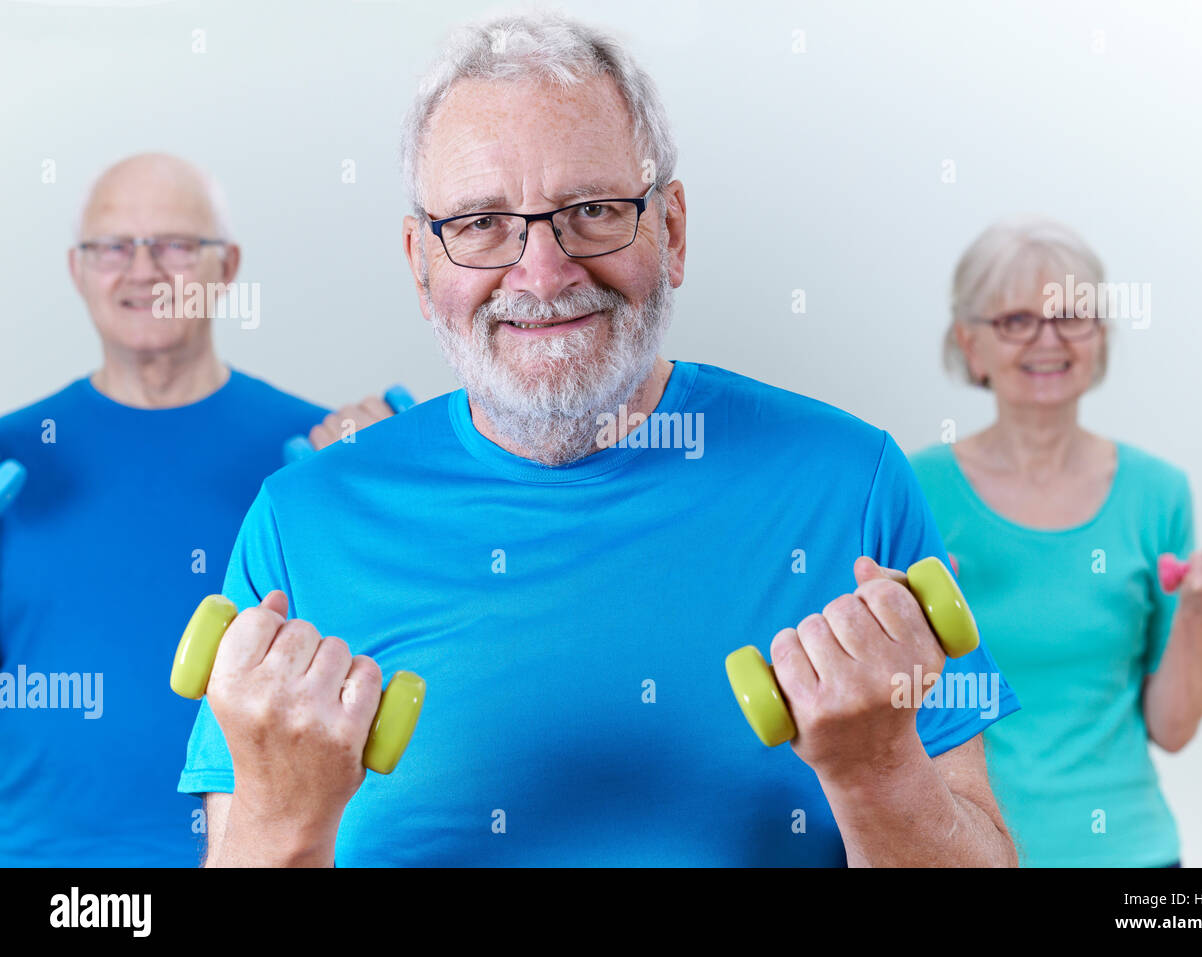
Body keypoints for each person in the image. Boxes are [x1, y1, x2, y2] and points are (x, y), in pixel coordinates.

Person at [180, 10, 1022, 867]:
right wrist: (285, 821)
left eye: (593, 209)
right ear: (420, 264)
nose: (543, 273)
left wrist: (880, 774)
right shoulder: (299, 524)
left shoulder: (854, 482)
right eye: (480, 224)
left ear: (674, 230)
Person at [0, 153, 372, 865]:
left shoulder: (321, 458)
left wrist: (392, 494)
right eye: (113, 247)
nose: (143, 271)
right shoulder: (12, 458)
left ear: (226, 267)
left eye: (174, 245)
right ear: (78, 271)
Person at [909, 217, 1202, 867]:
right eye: (1017, 319)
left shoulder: (1158, 492)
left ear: (1100, 337)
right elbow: (884, 715)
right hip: (967, 853)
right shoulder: (917, 488)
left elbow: (1174, 728)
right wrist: (911, 627)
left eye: (1073, 315)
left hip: (1132, 856)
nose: (1049, 340)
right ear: (971, 343)